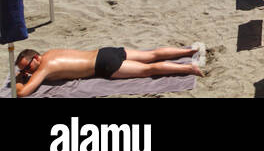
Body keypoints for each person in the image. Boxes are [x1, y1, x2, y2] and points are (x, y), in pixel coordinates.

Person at [13, 46, 202, 96]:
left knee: (148, 70)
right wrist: (26, 73)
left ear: (35, 58)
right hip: (105, 51)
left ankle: (188, 68)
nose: (28, 73)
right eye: (25, 71)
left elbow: (22, 92)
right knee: (151, 54)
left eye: (27, 68)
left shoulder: (45, 68)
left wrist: (19, 79)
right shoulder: (50, 54)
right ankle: (188, 51)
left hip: (104, 65)